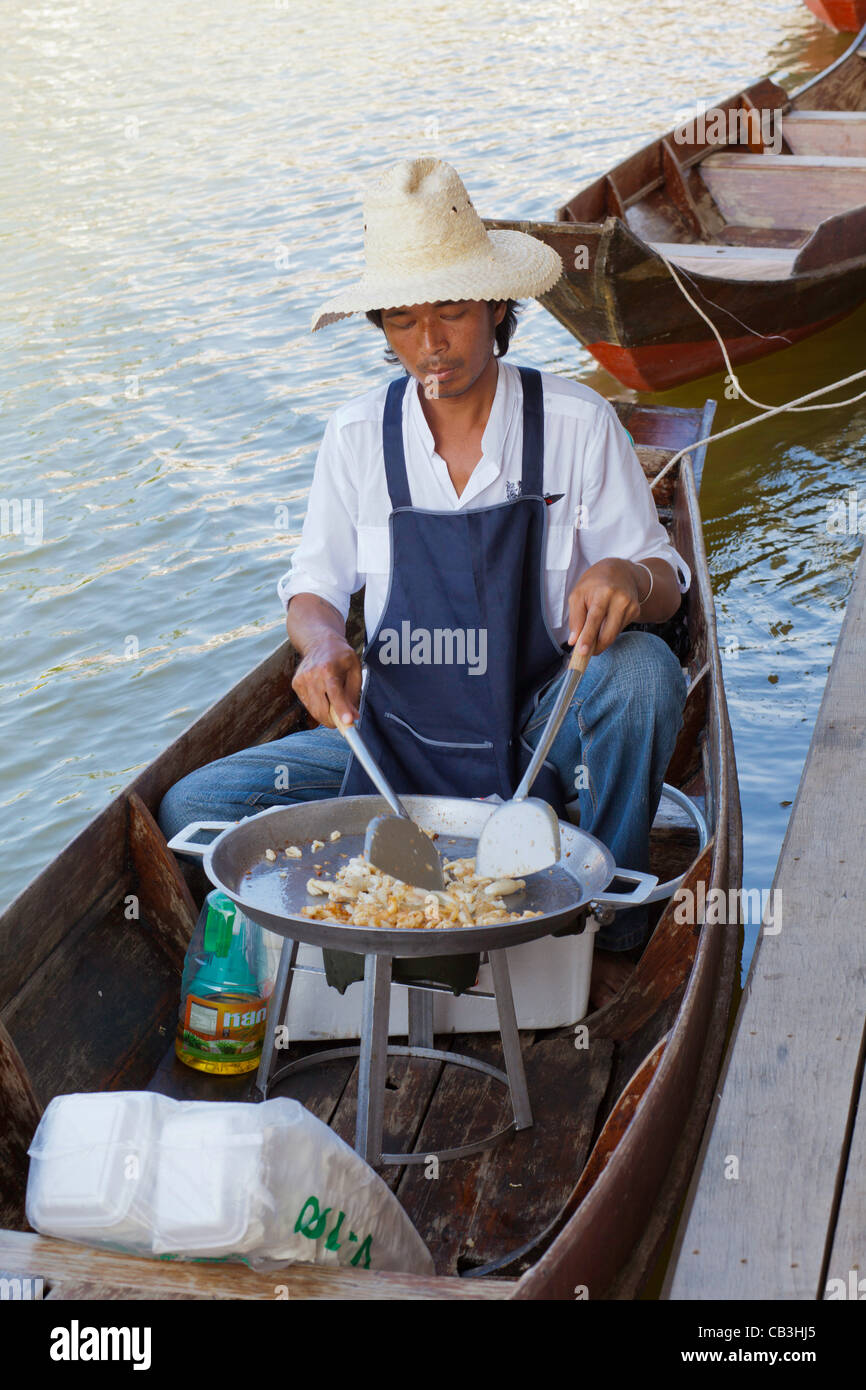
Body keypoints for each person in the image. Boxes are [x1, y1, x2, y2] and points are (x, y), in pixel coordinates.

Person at [158, 157, 689, 1009]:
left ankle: (604, 907)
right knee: (194, 804)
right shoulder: (358, 435)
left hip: (540, 733)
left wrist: (629, 572)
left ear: (499, 310)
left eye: (453, 312)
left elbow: (666, 582)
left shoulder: (578, 426)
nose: (431, 344)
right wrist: (326, 643)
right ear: (383, 327)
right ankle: (385, 896)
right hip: (399, 735)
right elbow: (313, 590)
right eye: (405, 321)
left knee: (644, 674)